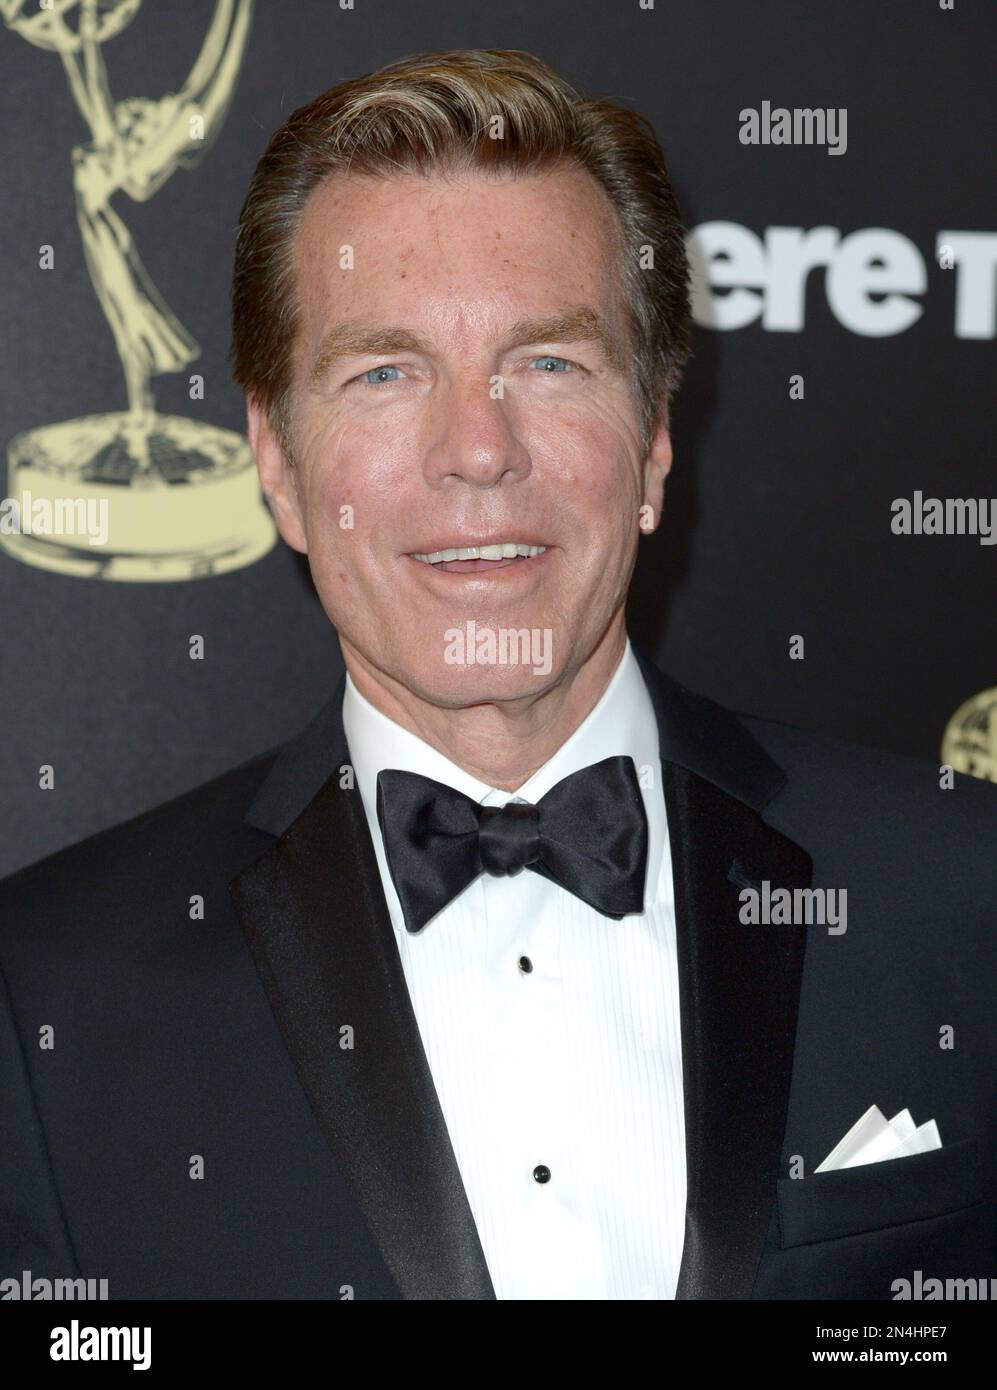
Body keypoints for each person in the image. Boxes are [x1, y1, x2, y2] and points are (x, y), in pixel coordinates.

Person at [1, 49, 993, 1302]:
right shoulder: (47, 996)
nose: (477, 448)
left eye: (550, 363)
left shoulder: (962, 897)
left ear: (651, 441)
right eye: (384, 371)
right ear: (275, 459)